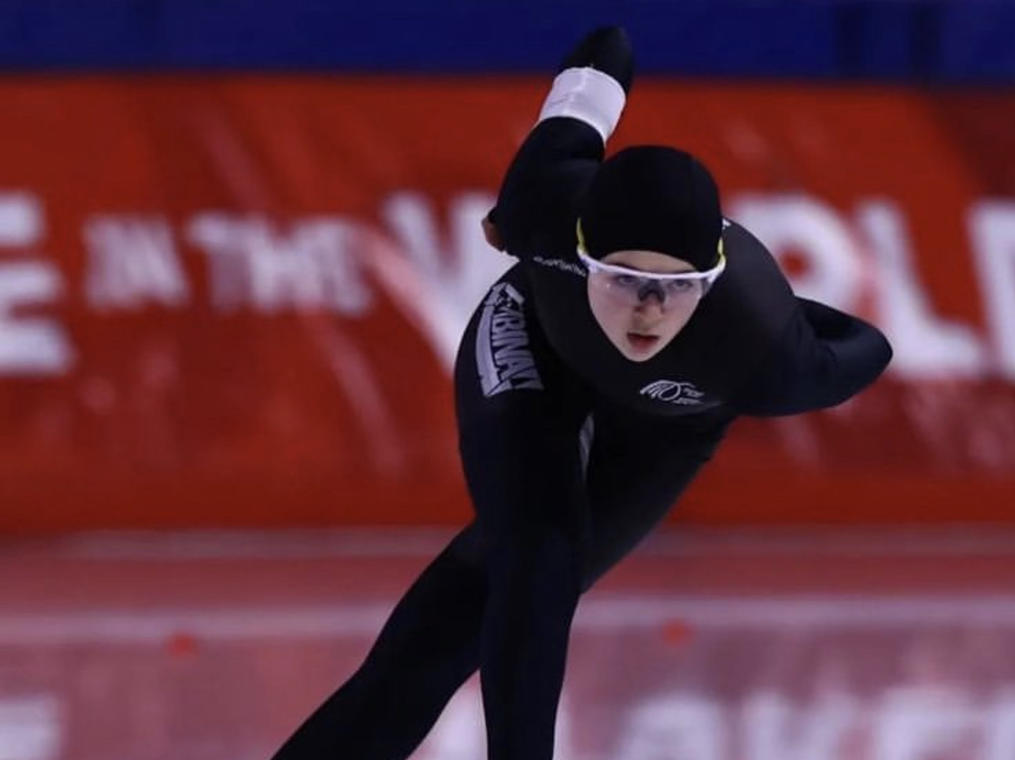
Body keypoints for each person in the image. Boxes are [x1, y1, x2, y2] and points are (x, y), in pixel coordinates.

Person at [270, 25, 892, 760]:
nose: (647, 310)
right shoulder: (541, 206)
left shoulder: (765, 354)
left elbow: (869, 346)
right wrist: (619, 42)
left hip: (671, 420)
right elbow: (600, 62)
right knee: (539, 560)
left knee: (451, 636)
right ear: (580, 250)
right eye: (625, 278)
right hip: (538, 341)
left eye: (674, 289)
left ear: (711, 283)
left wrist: (779, 319)